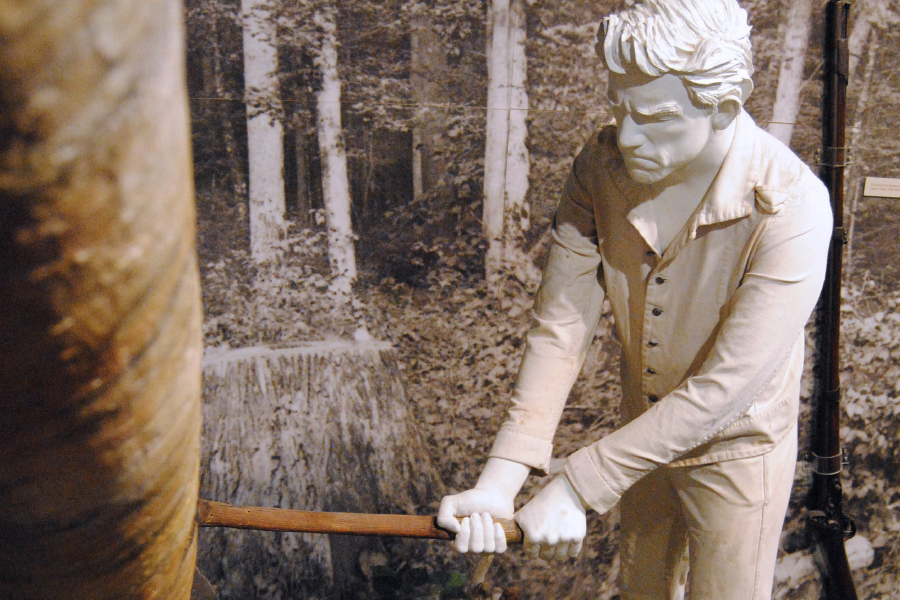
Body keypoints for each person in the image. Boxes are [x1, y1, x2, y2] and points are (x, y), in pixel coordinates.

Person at [437, 1, 833, 598]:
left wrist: (576, 485)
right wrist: (502, 477)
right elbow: (562, 326)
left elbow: (728, 387)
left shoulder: (793, 207)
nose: (627, 135)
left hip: (739, 450)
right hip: (639, 436)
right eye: (619, 109)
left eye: (654, 117)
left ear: (725, 106)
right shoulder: (599, 167)